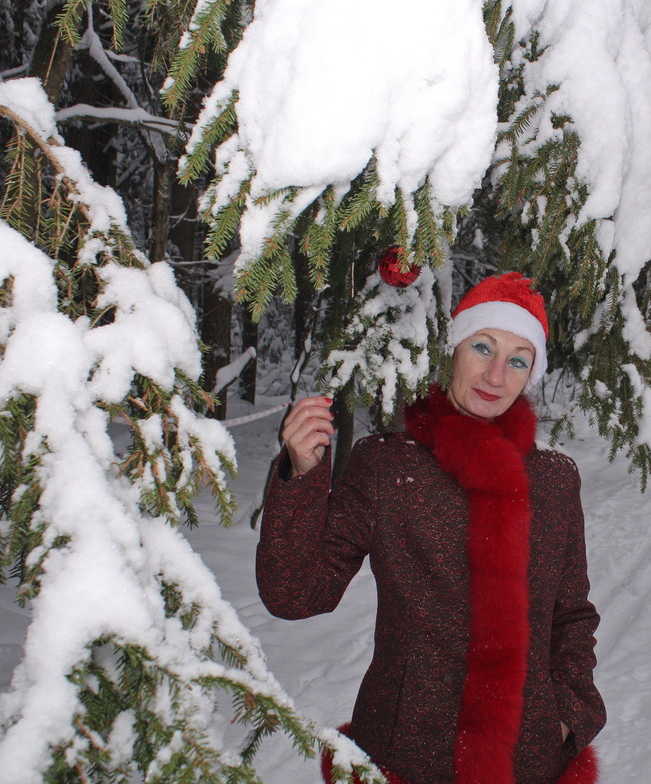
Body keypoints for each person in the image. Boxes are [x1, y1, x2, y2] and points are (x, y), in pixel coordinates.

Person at [256, 272, 605, 784]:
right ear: (454, 349)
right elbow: (295, 594)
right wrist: (302, 475)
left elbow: (571, 616)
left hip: (527, 760)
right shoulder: (386, 467)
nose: (495, 376)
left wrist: (569, 717)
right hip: (404, 755)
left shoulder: (554, 480)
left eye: (517, 360)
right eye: (482, 347)